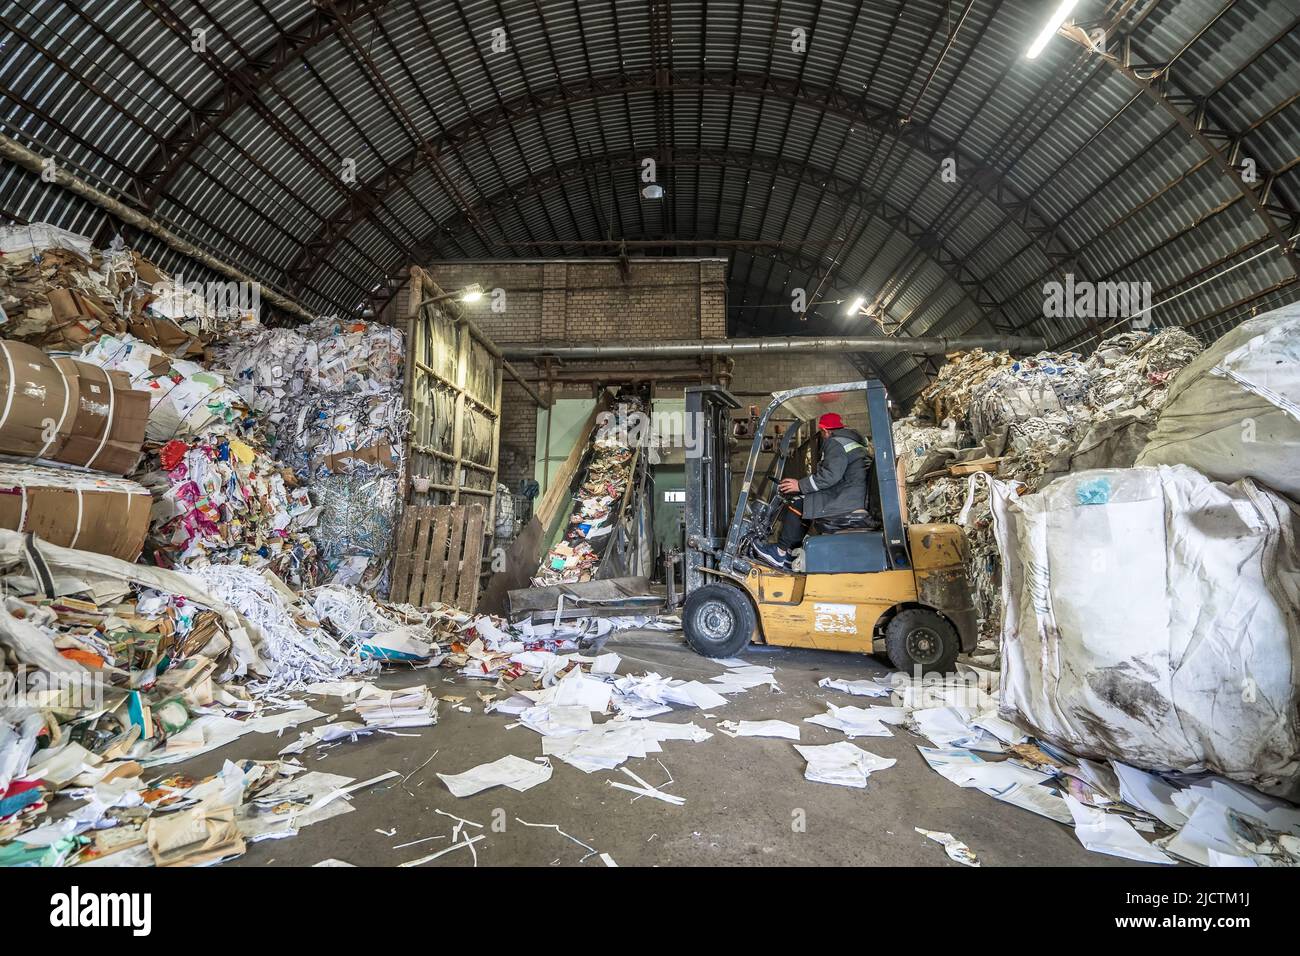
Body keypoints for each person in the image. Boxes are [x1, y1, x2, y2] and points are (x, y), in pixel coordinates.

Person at [752, 412, 874, 569]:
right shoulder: (850, 441)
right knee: (805, 501)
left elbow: (830, 475)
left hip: (846, 500)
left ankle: (780, 552)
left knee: (797, 504)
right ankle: (790, 554)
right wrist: (803, 487)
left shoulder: (835, 442)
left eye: (821, 433)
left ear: (824, 430)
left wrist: (800, 486)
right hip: (850, 495)